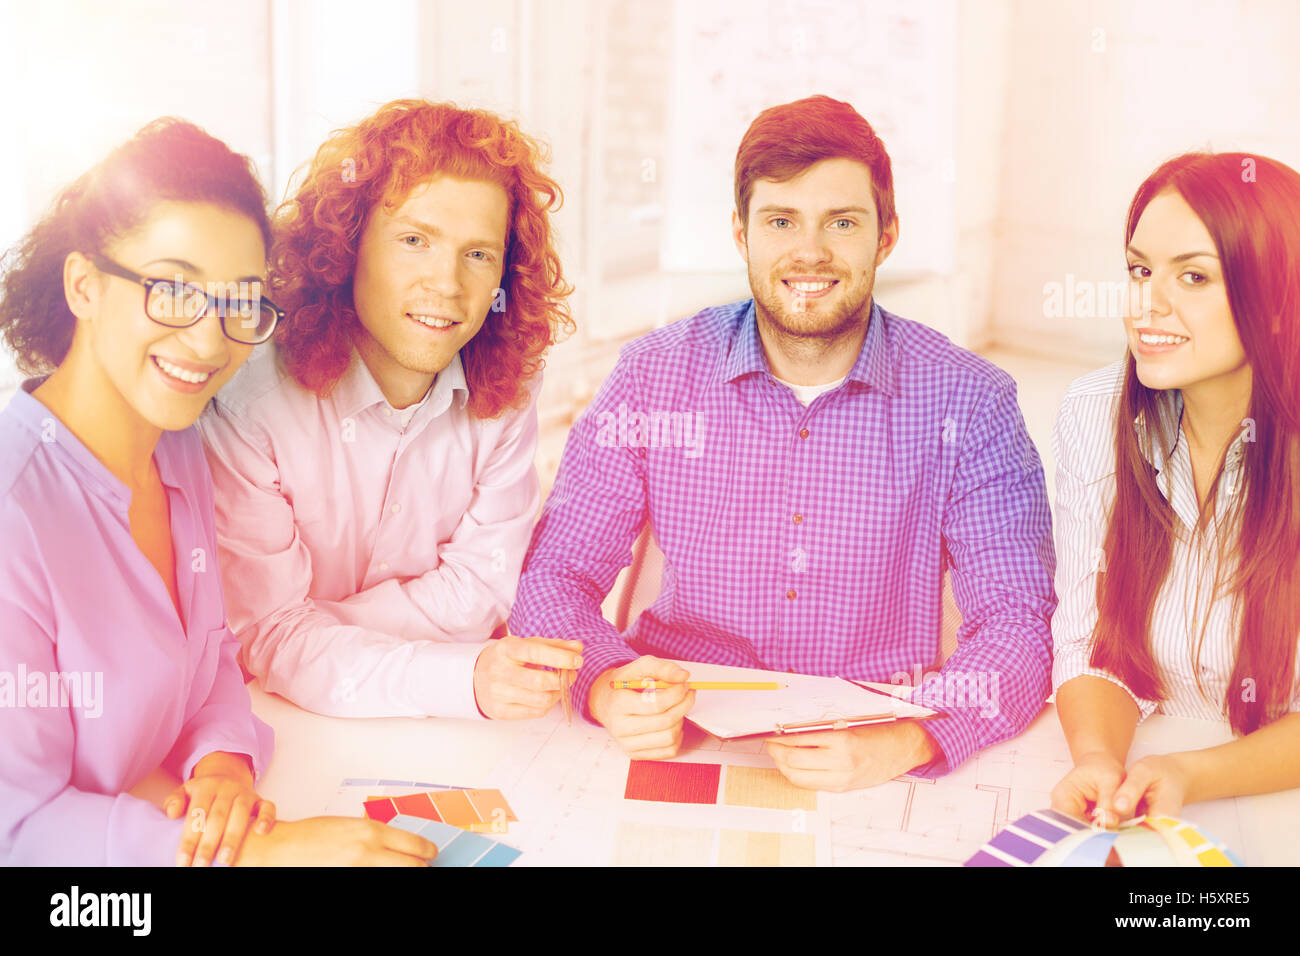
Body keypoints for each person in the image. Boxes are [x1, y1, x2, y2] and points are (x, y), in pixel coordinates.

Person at [509, 95, 1057, 790]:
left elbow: (1018, 623)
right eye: (781, 221)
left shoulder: (972, 401)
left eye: (843, 223)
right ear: (741, 234)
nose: (811, 252)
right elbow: (555, 577)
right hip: (678, 726)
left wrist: (915, 737)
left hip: (873, 743)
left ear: (886, 236)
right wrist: (604, 684)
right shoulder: (653, 375)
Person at [0, 118, 437, 866]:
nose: (209, 341)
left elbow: (209, 664)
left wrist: (223, 768)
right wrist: (263, 858)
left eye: (238, 302)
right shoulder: (16, 512)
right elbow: (18, 827)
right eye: (172, 289)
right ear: (83, 285)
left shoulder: (178, 445)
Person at [195, 100, 580, 720]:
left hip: (429, 725)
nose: (448, 285)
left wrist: (309, 639)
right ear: (347, 249)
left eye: (478, 254)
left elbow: (482, 590)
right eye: (414, 241)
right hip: (273, 723)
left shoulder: (509, 387)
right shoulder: (250, 402)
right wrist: (453, 674)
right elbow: (265, 633)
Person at [1051, 152, 1300, 823]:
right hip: (1155, 778)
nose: (1145, 304)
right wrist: (1098, 757)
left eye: (1192, 276)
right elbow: (1088, 642)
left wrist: (1192, 774)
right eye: (1139, 270)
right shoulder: (1094, 411)